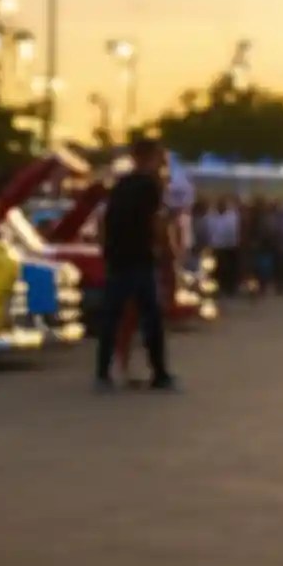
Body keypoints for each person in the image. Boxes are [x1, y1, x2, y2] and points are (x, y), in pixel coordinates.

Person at [95, 136, 176, 391]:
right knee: (151, 317)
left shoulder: (121, 184)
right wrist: (165, 251)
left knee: (111, 316)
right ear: (148, 157)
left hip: (117, 258)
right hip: (140, 258)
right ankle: (160, 373)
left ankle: (102, 373)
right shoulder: (151, 185)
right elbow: (156, 220)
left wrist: (107, 251)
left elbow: (104, 222)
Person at [204, 196, 242, 297]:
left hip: (230, 246)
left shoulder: (232, 216)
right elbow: (208, 231)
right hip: (216, 246)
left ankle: (230, 288)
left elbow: (236, 231)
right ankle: (216, 289)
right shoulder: (211, 216)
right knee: (216, 269)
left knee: (229, 268)